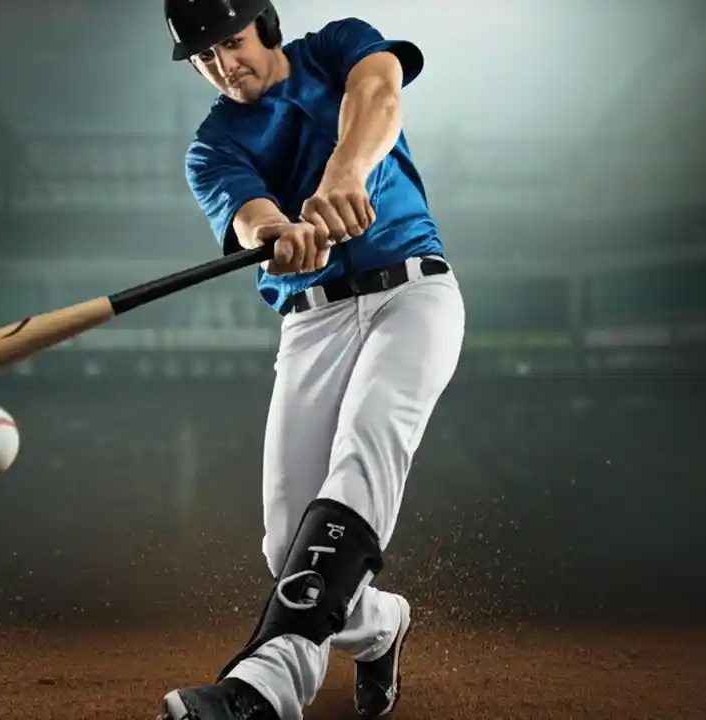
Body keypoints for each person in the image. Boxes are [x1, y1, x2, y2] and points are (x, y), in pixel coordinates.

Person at [157, 2, 466, 719]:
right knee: (287, 546)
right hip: (312, 323)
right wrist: (281, 231)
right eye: (203, 57)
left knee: (365, 450)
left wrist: (344, 173)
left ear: (264, 24)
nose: (222, 65)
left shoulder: (334, 47)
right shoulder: (210, 145)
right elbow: (248, 216)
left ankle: (266, 683)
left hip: (412, 295)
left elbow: (379, 93)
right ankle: (383, 624)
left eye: (230, 42)